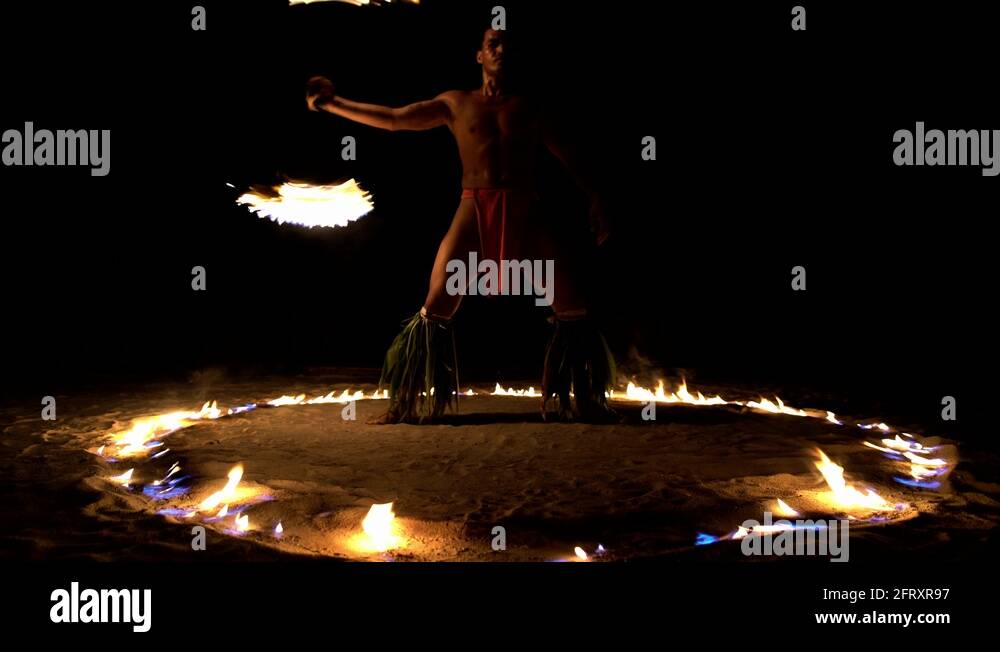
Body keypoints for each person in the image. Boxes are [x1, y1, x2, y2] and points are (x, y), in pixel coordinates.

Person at [306, 27, 615, 423]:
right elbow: (395, 119)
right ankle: (405, 405)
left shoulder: (530, 107)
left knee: (572, 305)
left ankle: (587, 401)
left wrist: (597, 198)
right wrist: (333, 104)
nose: (501, 50)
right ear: (479, 56)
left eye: (508, 45)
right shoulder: (456, 103)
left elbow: (571, 155)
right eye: (493, 44)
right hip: (474, 208)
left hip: (526, 209)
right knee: (436, 304)